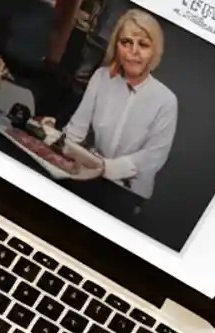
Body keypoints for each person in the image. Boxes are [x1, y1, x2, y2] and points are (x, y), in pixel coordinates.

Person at [59, 9, 177, 201]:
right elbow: (75, 131)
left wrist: (106, 168)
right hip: (90, 178)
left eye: (143, 44)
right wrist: (57, 142)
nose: (133, 51)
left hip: (129, 194)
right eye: (126, 42)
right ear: (116, 46)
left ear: (154, 51)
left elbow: (153, 157)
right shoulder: (101, 77)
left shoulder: (166, 100)